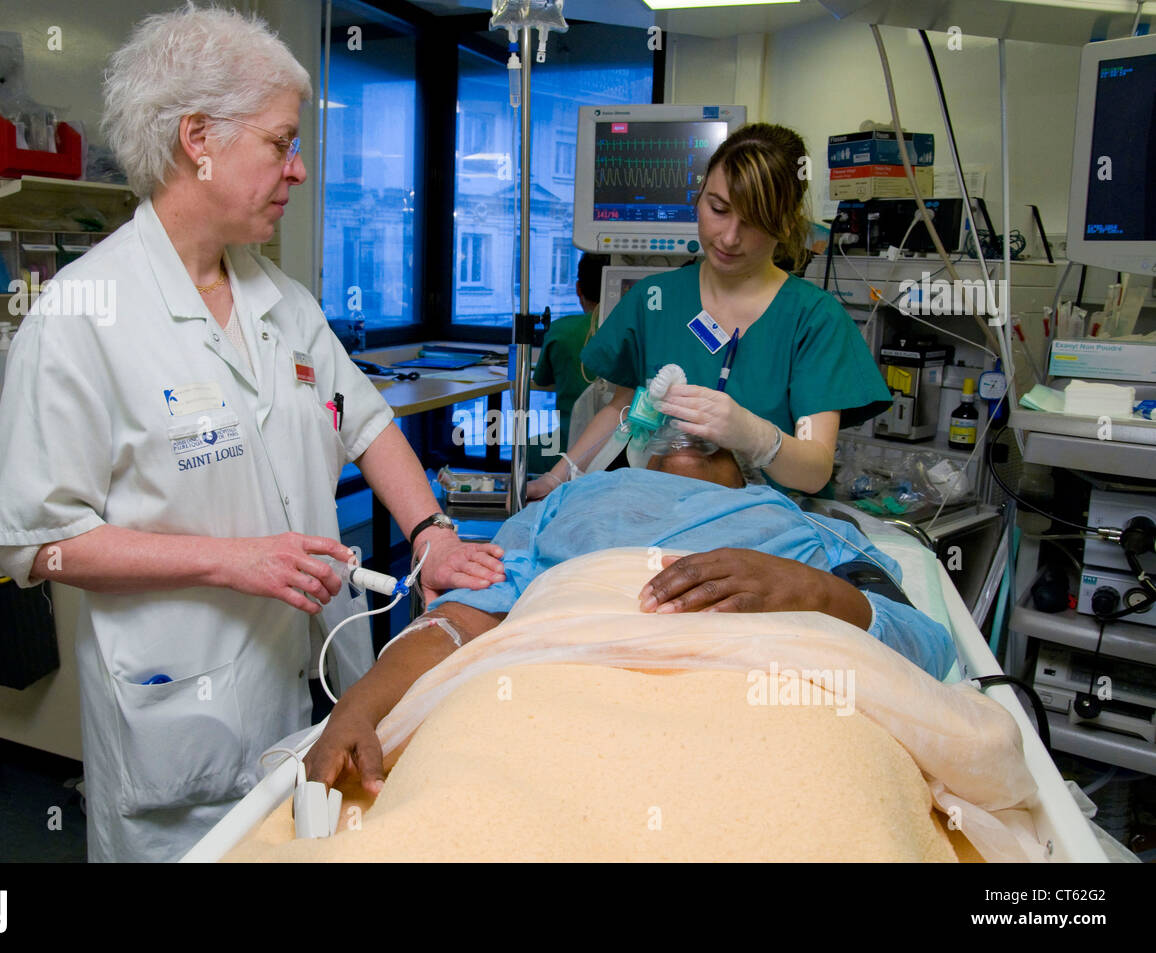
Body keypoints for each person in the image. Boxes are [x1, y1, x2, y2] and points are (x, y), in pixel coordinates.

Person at [0, 5, 503, 862]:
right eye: (281, 143)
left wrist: (431, 534)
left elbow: (366, 422)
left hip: (312, 686)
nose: (297, 169)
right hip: (182, 711)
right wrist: (233, 560)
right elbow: (39, 545)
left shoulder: (280, 300)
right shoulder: (83, 315)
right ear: (198, 139)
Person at [306, 444, 955, 796]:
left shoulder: (800, 522)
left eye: (708, 441)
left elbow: (926, 650)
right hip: (549, 693)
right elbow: (459, 621)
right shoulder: (571, 499)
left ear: (745, 470)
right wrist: (360, 706)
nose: (684, 435)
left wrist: (812, 589)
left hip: (761, 699)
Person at [528, 123, 890, 500]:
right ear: (699, 197)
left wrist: (756, 436)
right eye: (718, 209)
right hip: (656, 518)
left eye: (753, 222)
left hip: (767, 532)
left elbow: (814, 469)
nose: (729, 237)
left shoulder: (814, 319)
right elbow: (622, 410)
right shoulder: (655, 300)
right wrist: (558, 477)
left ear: (785, 222)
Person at [530, 251, 610, 458]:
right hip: (619, 445)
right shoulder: (631, 328)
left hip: (567, 444)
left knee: (529, 447)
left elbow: (541, 380)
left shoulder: (561, 330)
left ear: (577, 289)